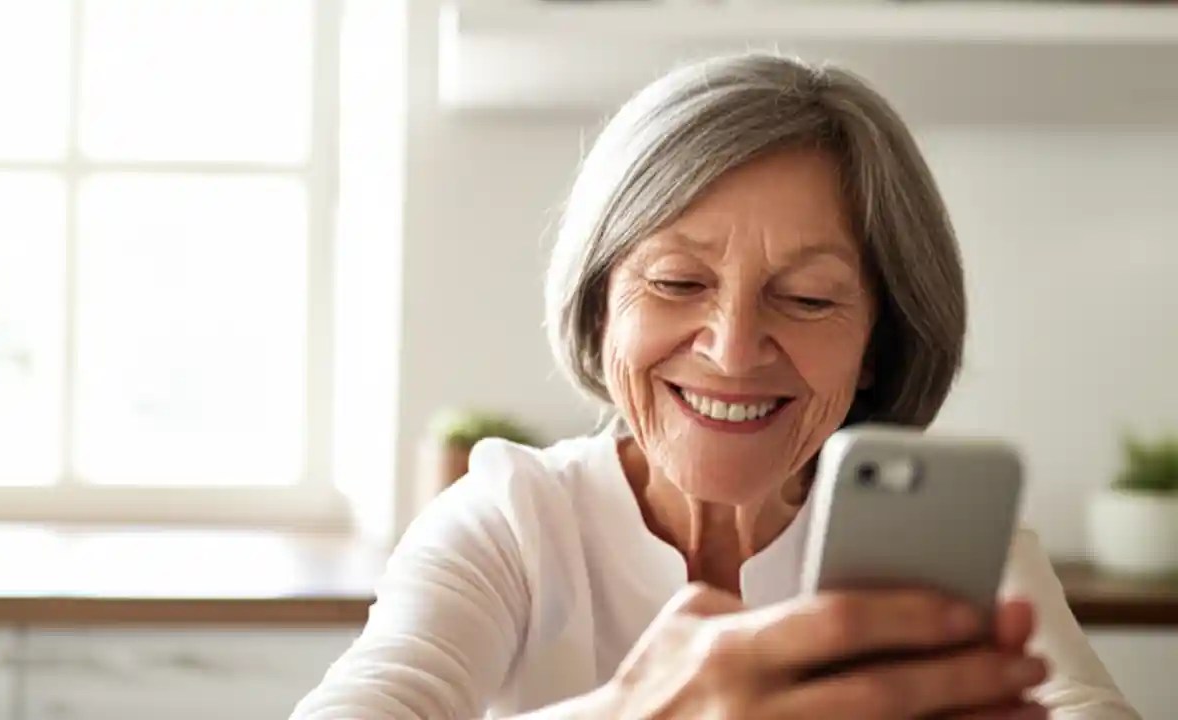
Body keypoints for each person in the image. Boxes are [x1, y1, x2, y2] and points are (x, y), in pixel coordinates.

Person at [291, 54, 1139, 719]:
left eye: (807, 299)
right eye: (675, 283)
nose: (733, 353)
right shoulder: (512, 525)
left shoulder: (964, 555)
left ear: (879, 343)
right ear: (599, 309)